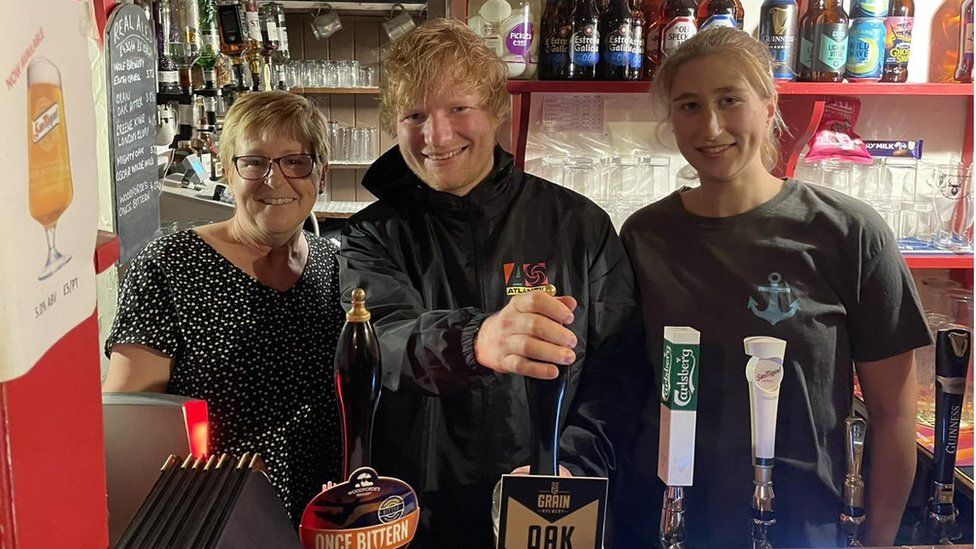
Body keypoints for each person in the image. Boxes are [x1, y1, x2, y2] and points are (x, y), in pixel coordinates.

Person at [338, 18, 649, 548]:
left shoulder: (578, 225)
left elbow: (617, 371)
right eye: (415, 114)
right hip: (415, 511)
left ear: (497, 110)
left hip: (547, 504)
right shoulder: (374, 234)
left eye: (458, 109)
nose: (437, 136)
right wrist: (475, 340)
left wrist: (571, 463)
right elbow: (381, 342)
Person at [617, 27, 931, 548]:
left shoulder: (847, 232)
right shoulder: (644, 236)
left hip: (803, 524)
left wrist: (877, 542)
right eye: (689, 105)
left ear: (768, 104)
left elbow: (894, 413)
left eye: (730, 100)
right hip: (666, 523)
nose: (711, 126)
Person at [102, 91, 343, 523]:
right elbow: (129, 423)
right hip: (211, 514)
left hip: (321, 512)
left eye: (295, 161)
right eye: (254, 162)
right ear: (227, 172)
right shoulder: (170, 265)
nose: (275, 180)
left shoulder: (330, 265)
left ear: (320, 175)